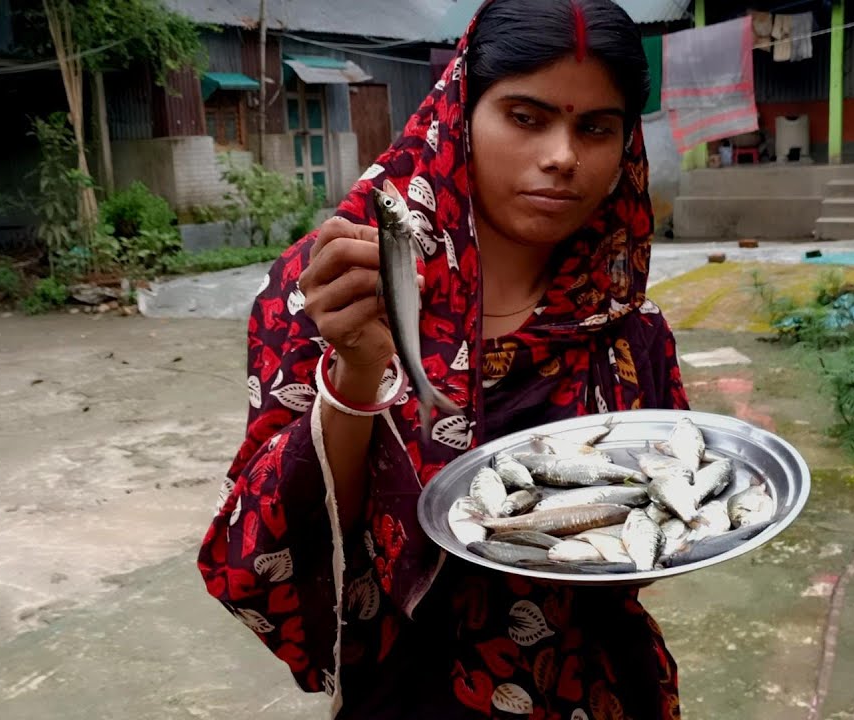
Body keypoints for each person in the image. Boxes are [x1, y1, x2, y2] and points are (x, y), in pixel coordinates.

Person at [197, 0, 690, 716]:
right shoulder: (338, 283)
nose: (562, 155)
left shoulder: (628, 327)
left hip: (594, 691)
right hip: (415, 692)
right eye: (526, 117)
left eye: (596, 127)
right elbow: (268, 539)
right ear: (460, 112)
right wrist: (355, 377)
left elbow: (661, 524)